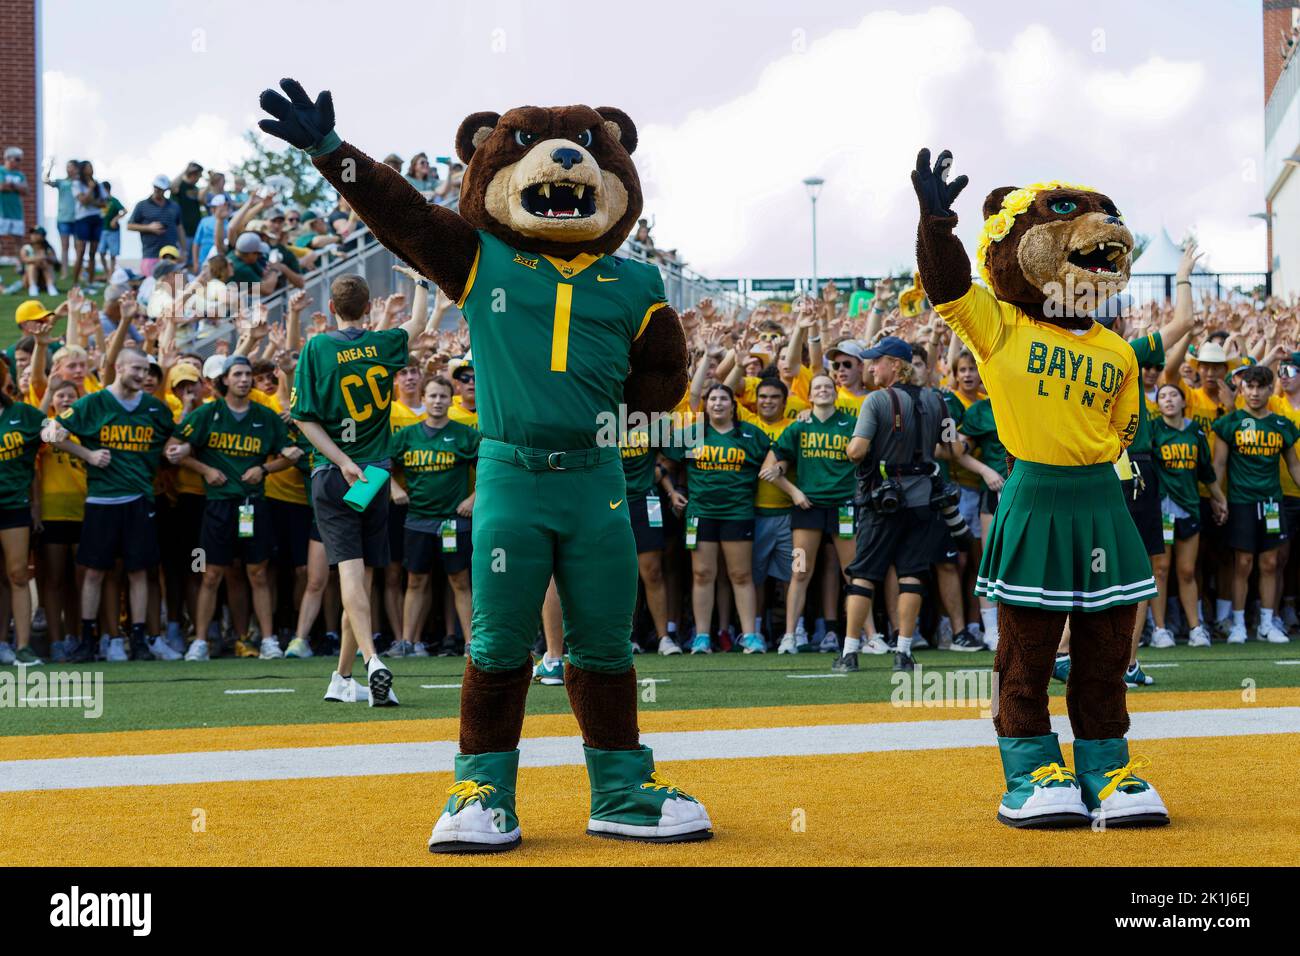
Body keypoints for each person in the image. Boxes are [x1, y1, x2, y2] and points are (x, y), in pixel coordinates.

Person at [290, 272, 426, 705]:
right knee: (362, 579)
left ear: (331, 309)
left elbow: (303, 418)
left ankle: (368, 661)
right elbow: (419, 324)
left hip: (336, 473)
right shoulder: (383, 343)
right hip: (376, 475)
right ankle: (344, 677)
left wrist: (342, 461)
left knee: (351, 575)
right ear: (369, 308)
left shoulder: (317, 346)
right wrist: (423, 283)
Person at [46, 347, 175, 662]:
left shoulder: (155, 408)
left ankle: (139, 639)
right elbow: (50, 433)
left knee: (139, 571)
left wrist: (174, 452)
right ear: (118, 367)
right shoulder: (94, 402)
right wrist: (87, 455)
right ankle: (89, 639)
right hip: (102, 499)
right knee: (94, 571)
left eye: (146, 371)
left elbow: (171, 439)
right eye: (136, 369)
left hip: (140, 498)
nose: (142, 376)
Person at [166, 355, 299, 660]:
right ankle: (199, 641)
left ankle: (267, 640)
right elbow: (172, 450)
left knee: (258, 572)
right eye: (237, 374)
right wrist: (205, 470)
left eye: (247, 374)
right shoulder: (208, 414)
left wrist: (266, 469)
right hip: (218, 505)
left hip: (252, 505)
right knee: (210, 573)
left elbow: (290, 455)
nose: (244, 379)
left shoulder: (264, 417)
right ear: (224, 380)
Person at [841, 336, 950, 673]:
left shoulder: (876, 400)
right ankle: (904, 652)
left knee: (863, 574)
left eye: (876, 361)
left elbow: (857, 451)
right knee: (912, 575)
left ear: (895, 365)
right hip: (924, 501)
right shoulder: (936, 399)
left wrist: (854, 449)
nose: (870, 368)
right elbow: (950, 449)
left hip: (883, 501)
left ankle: (849, 653)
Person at [663, 383, 772, 654]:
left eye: (724, 399)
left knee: (740, 574)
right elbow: (662, 452)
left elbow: (776, 453)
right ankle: (701, 636)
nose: (718, 403)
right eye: (713, 399)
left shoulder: (750, 434)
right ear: (706, 404)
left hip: (738, 512)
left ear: (733, 405)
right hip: (701, 513)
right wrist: (673, 490)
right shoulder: (693, 434)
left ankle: (750, 635)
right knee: (702, 574)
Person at [762, 373, 858, 660]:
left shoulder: (850, 424)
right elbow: (768, 469)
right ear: (811, 395)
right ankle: (790, 635)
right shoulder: (798, 426)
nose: (823, 391)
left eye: (828, 387)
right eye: (818, 388)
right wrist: (793, 491)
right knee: (800, 571)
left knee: (852, 573)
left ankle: (866, 636)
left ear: (835, 392)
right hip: (808, 509)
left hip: (843, 507)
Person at [1211, 363, 1300, 645]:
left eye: (1261, 387)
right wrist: (1218, 498)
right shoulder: (1231, 422)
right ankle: (1237, 623)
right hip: (1241, 501)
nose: (1255, 392)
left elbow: (1295, 467)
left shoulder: (1282, 425)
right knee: (1243, 563)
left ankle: (1266, 622)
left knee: (1271, 563)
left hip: (1272, 501)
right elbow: (1219, 464)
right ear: (1242, 389)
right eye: (1250, 386)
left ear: (1270, 389)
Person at [390, 376, 478, 657]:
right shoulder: (406, 435)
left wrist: (473, 499)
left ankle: (471, 643)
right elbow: (381, 465)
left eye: (443, 396)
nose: (438, 401)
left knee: (460, 581)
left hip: (455, 520)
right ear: (424, 400)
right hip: (417, 519)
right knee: (415, 580)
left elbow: (490, 471)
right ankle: (407, 642)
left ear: (450, 401)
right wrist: (393, 489)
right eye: (433, 396)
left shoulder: (465, 435)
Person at [1151, 383, 1224, 647]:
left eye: (1173, 395)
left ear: (1184, 401)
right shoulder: (1153, 429)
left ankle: (1196, 628)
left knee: (1187, 570)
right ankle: (1159, 629)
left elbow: (1206, 472)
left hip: (1190, 505)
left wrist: (1219, 498)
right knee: (1160, 569)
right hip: (1163, 507)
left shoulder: (1196, 431)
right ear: (1157, 405)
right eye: (1162, 397)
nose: (1168, 400)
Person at [0, 361, 50, 666]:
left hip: (14, 505)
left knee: (18, 574)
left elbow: (54, 432)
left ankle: (22, 646)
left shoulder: (23, 414)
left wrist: (87, 454)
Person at [128, 175, 184, 279]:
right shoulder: (142, 205)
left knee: (173, 285)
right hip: (150, 254)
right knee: (150, 284)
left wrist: (184, 250)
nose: (157, 190)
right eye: (156, 187)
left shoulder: (174, 206)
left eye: (160, 188)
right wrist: (149, 228)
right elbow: (130, 225)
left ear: (166, 189)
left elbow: (180, 228)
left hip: (171, 254)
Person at [70, 161, 106, 287]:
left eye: (91, 167)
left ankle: (90, 282)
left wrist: (91, 201)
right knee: (81, 252)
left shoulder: (99, 185)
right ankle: (75, 283)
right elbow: (83, 201)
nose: (90, 169)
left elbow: (104, 203)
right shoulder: (77, 184)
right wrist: (90, 190)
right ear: (82, 170)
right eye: (87, 167)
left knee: (93, 253)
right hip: (82, 219)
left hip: (96, 219)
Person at [44, 159, 79, 272]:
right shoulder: (61, 182)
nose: (68, 169)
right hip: (63, 219)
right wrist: (50, 167)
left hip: (77, 219)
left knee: (78, 246)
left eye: (71, 166)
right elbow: (46, 180)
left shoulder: (80, 183)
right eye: (67, 166)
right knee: (65, 246)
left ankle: (79, 270)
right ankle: (65, 271)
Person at [20, 226, 59, 296]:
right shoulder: (26, 248)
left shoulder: (48, 248)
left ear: (43, 236)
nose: (33, 236)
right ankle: (33, 287)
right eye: (32, 233)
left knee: (47, 264)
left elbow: (55, 260)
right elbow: (24, 259)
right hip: (28, 279)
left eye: (36, 233)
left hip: (43, 279)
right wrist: (38, 258)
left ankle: (51, 286)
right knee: (32, 265)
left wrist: (46, 257)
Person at [98, 182, 126, 277]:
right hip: (102, 230)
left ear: (106, 189)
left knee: (113, 254)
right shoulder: (101, 201)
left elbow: (124, 211)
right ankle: (107, 273)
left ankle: (112, 274)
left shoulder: (114, 201)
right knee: (101, 252)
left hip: (113, 231)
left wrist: (115, 219)